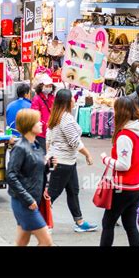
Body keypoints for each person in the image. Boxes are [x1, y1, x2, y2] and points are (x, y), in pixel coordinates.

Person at [45, 89, 97, 232]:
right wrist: (87, 154)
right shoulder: (65, 119)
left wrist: (50, 153)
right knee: (51, 195)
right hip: (63, 163)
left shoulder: (56, 115)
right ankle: (42, 223)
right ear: (68, 102)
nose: (75, 100)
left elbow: (48, 138)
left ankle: (79, 222)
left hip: (66, 161)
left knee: (73, 191)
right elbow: (75, 142)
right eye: (73, 98)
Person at [99, 96, 139, 247]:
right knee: (130, 224)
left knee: (108, 223)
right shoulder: (138, 130)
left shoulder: (125, 135)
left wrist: (105, 159)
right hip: (137, 186)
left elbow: (123, 165)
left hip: (124, 186)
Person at [6, 109, 54, 246]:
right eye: (37, 121)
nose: (41, 123)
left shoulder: (36, 145)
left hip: (32, 199)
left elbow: (36, 170)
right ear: (29, 125)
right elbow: (11, 175)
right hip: (25, 202)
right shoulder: (20, 147)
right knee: (46, 242)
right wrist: (27, 199)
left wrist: (48, 165)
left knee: (22, 242)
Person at [31, 74, 55, 152]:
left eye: (50, 86)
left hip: (52, 131)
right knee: (43, 153)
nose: (49, 88)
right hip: (41, 133)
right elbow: (35, 116)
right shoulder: (36, 99)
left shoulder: (52, 98)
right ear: (41, 86)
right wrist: (44, 124)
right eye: (47, 86)